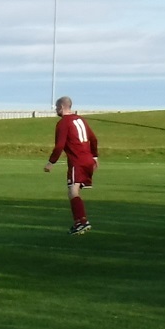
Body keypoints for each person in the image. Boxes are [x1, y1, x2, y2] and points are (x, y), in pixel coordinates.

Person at [43, 96, 98, 234]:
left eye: (56, 108)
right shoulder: (81, 120)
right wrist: (95, 157)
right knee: (74, 190)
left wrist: (51, 162)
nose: (56, 110)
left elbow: (59, 145)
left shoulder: (63, 123)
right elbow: (94, 139)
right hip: (88, 159)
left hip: (77, 161)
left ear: (61, 107)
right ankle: (80, 222)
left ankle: (81, 222)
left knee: (73, 191)